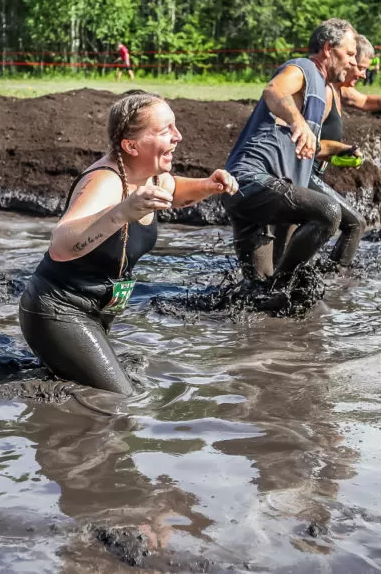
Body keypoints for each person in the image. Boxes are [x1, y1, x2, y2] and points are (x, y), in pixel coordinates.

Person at [19, 93, 238, 395]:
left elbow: (173, 191)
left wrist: (208, 185)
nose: (178, 136)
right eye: (166, 130)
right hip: (60, 311)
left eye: (175, 127)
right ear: (131, 145)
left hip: (94, 311)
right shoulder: (107, 182)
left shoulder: (151, 176)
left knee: (93, 399)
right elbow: (61, 242)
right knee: (122, 403)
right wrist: (121, 212)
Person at [221, 18, 358, 283]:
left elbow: (309, 144)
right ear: (328, 48)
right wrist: (299, 122)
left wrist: (340, 149)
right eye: (350, 53)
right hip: (252, 181)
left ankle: (271, 293)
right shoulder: (304, 68)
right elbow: (274, 90)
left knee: (258, 291)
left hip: (262, 197)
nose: (353, 62)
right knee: (329, 213)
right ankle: (283, 286)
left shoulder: (321, 95)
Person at [304, 35, 381, 266]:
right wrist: (331, 151)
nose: (363, 75)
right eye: (360, 68)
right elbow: (301, 139)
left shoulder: (340, 90)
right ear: (348, 63)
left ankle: (305, 277)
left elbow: (366, 102)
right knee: (355, 224)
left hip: (313, 172)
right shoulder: (324, 92)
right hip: (303, 173)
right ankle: (335, 280)